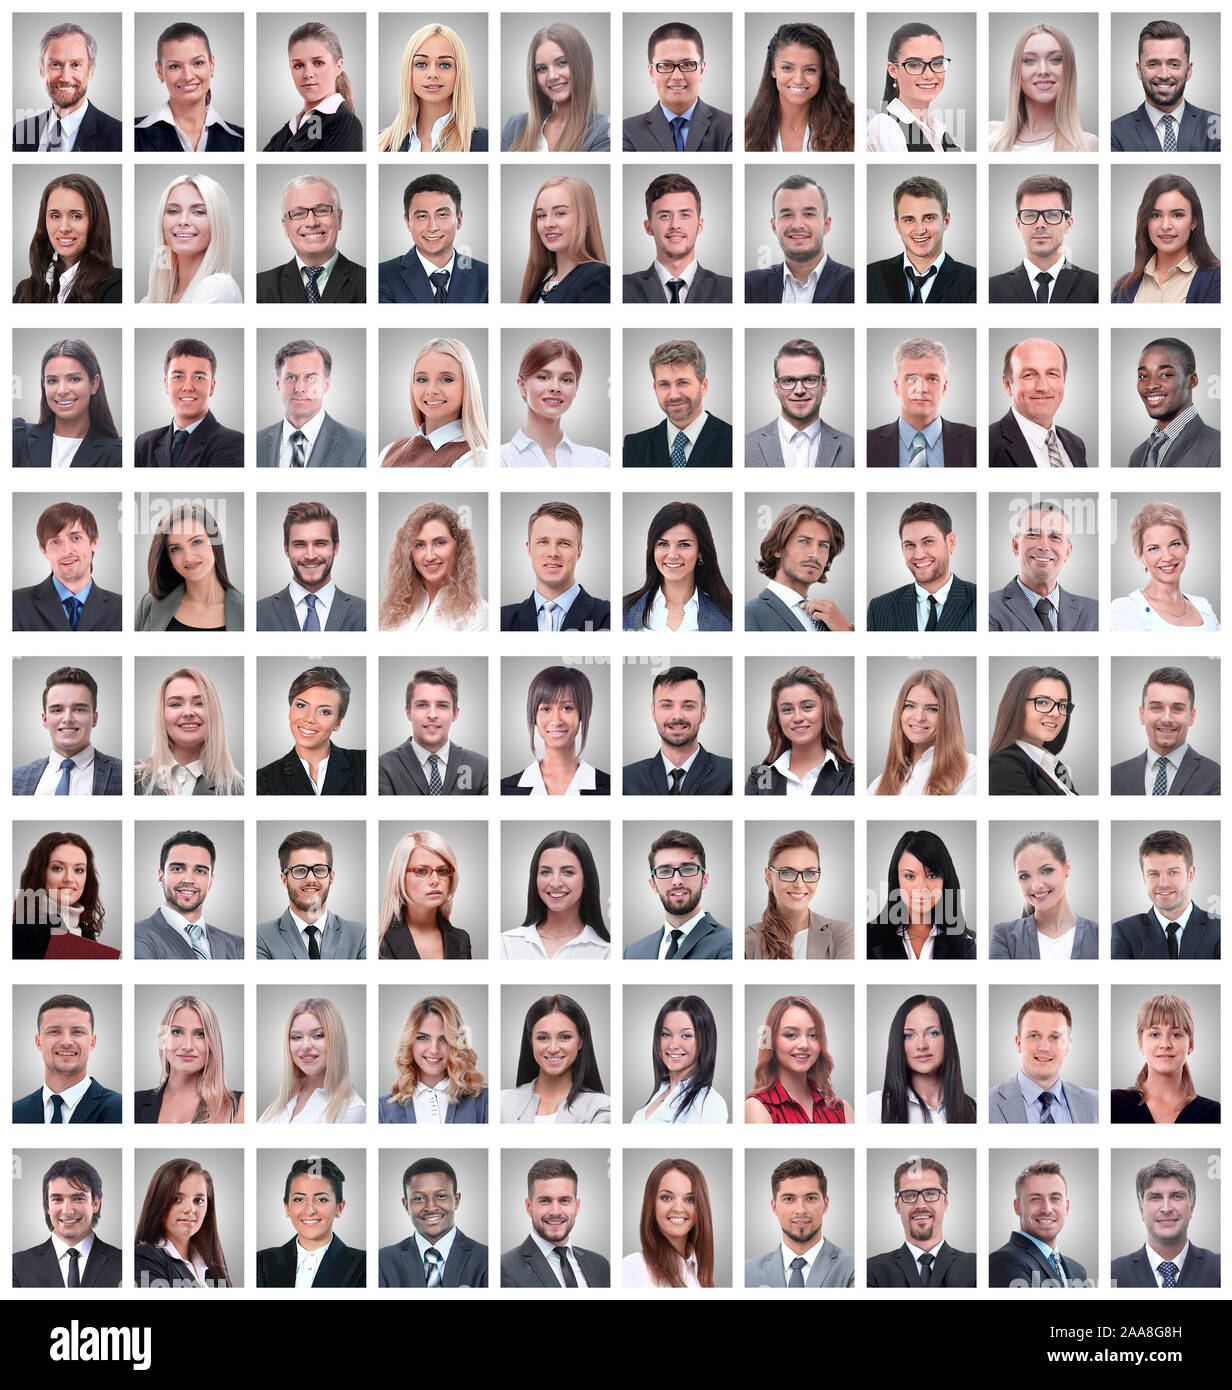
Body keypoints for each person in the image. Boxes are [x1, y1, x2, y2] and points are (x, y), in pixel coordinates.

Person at [622, 500, 733, 632]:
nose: (672, 555)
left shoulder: (729, 616)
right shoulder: (622, 611)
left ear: (700, 551)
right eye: (663, 544)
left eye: (684, 544)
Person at [256, 829, 366, 960]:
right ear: (284, 879)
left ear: (331, 877)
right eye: (300, 870)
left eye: (319, 869)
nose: (310, 880)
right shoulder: (260, 937)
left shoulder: (360, 935)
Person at [867, 500, 977, 632]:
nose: (918, 555)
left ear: (951, 542)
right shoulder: (879, 608)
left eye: (928, 541)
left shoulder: (982, 601)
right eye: (909, 545)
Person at [1111, 21, 1221, 153]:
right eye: (1153, 64)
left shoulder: (1218, 126)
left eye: (1174, 64)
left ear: (1189, 70)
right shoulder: (1113, 133)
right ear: (1139, 70)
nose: (1164, 75)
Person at [1110, 665, 1221, 796]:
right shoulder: (1113, 777)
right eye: (1156, 707)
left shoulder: (1217, 777)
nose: (1166, 719)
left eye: (1178, 709)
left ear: (1192, 716)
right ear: (1142, 715)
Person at [500, 830, 610, 961]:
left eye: (568, 872)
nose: (555, 883)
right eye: (545, 872)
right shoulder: (505, 945)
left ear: (586, 880)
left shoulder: (607, 952)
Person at [12, 665, 122, 796]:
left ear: (94, 719)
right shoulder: (14, 779)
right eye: (57, 710)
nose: (68, 718)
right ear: (45, 720)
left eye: (79, 709)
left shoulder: (125, 774)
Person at [378, 175, 489, 304]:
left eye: (442, 215)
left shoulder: (487, 276)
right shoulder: (380, 276)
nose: (432, 227)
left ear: (459, 219)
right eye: (422, 216)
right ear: (408, 222)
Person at [867, 336, 976, 468]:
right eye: (911, 378)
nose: (921, 389)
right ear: (896, 387)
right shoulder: (865, 443)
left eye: (931, 379)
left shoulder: (976, 441)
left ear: (944, 387)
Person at [133, 338, 244, 468]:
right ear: (166, 385)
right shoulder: (145, 443)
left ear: (212, 387)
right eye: (178, 377)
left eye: (199, 378)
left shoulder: (234, 442)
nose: (188, 387)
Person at [500, 338, 610, 467]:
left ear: (576, 388)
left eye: (566, 380)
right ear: (522, 386)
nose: (555, 387)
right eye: (543, 377)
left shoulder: (599, 462)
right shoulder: (497, 460)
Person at [377, 23, 488, 152]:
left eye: (445, 65)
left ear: (459, 72)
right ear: (408, 71)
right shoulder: (380, 143)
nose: (432, 74)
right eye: (421, 64)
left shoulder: (486, 143)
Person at [623, 665, 732, 795]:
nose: (677, 716)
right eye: (667, 705)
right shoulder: (625, 779)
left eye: (688, 706)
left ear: (703, 713)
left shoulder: (731, 774)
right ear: (653, 712)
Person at [746, 665, 856, 796]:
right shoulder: (762, 776)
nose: (797, 718)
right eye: (787, 709)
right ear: (778, 718)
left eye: (807, 707)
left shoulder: (851, 777)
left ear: (825, 711)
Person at [623, 21, 733, 152]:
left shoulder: (730, 126)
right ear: (651, 72)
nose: (677, 76)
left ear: (701, 70)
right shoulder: (627, 131)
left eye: (687, 64)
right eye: (665, 65)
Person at [13, 1157, 122, 1287]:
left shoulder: (126, 1263)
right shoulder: (16, 1265)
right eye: (57, 1199)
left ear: (95, 1203)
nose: (67, 1210)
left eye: (78, 1198)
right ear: (47, 1205)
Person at [501, 1157, 611, 1287]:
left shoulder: (600, 1265)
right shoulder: (504, 1268)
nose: (555, 1211)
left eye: (564, 1200)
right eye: (545, 1201)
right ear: (529, 1206)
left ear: (577, 1206)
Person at [378, 338, 488, 468]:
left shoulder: (476, 460)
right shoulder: (389, 451)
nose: (431, 391)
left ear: (467, 385)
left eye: (446, 379)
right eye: (422, 379)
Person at [1112, 829, 1221, 959]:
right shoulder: (1124, 932)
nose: (1163, 883)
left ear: (1190, 874)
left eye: (1173, 872)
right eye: (1153, 874)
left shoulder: (1220, 929)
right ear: (1144, 877)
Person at [256, 339, 366, 468]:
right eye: (291, 377)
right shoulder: (254, 443)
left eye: (311, 378)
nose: (300, 388)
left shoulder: (360, 446)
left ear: (326, 385)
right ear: (278, 385)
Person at [989, 994, 1099, 1123]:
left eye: (1055, 1037)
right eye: (1034, 1035)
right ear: (1019, 1043)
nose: (1044, 1047)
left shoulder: (1097, 1104)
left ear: (1068, 1045)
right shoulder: (984, 1106)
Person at [624, 829, 733, 960]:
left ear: (705, 880)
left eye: (687, 869)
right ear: (653, 884)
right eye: (665, 871)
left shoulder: (731, 944)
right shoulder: (632, 953)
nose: (677, 881)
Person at [867, 829, 975, 960]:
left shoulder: (967, 945)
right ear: (897, 879)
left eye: (932, 875)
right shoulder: (868, 939)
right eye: (910, 876)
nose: (922, 887)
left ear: (945, 880)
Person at [134, 830, 243, 961]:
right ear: (161, 877)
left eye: (200, 871)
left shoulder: (237, 945)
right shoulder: (136, 936)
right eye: (178, 869)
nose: (188, 879)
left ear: (210, 881)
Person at [744, 175, 854, 304]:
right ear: (774, 226)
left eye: (809, 214)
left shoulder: (855, 283)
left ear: (827, 225)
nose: (797, 225)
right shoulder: (748, 285)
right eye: (787, 215)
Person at [1111, 1159, 1221, 1288]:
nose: (1166, 1208)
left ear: (1192, 1207)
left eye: (1177, 1196)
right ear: (1141, 1210)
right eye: (1155, 1197)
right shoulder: (1113, 1273)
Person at [378, 667, 488, 796]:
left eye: (442, 705)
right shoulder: (381, 767)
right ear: (408, 712)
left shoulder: (482, 767)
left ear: (455, 714)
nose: (432, 715)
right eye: (422, 705)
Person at [501, 665, 610, 796]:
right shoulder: (503, 790)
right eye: (546, 709)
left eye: (567, 708)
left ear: (582, 714)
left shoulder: (613, 789)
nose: (557, 721)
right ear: (534, 716)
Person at [745, 1158, 854, 1288]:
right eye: (789, 1199)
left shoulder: (853, 1269)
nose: (801, 1210)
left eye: (810, 1198)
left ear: (825, 1204)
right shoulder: (746, 1272)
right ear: (774, 1207)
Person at [13, 993, 122, 1123]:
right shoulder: (13, 1113)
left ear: (92, 1042)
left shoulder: (121, 1110)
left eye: (77, 1032)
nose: (66, 1041)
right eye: (54, 1031)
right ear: (38, 1042)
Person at [258, 501, 365, 633]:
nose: (310, 555)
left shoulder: (365, 614)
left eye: (320, 543)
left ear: (335, 547)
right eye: (300, 544)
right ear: (286, 549)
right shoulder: (257, 614)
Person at [256, 1156, 365, 1287]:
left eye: (322, 1199)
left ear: (339, 1207)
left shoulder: (365, 1266)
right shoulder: (261, 1262)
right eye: (299, 1199)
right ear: (286, 1207)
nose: (309, 1211)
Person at [867, 1157, 976, 1288]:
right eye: (910, 1195)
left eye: (930, 1194)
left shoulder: (975, 1267)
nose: (920, 1205)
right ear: (897, 1204)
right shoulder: (872, 1271)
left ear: (945, 1201)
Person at [501, 994, 610, 1123]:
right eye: (542, 1038)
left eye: (565, 1037)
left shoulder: (602, 1107)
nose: (553, 1048)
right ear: (530, 1041)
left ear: (580, 1040)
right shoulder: (500, 1103)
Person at [257, 666, 366, 796]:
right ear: (290, 711)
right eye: (301, 705)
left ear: (337, 722)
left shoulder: (366, 764)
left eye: (324, 711)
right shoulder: (264, 779)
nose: (309, 719)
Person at [989, 174, 1099, 303]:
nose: (1040, 225)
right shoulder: (990, 290)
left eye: (1052, 214)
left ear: (1068, 224)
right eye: (1030, 215)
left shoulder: (1096, 287)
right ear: (1019, 224)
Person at [745, 22, 853, 152]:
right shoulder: (745, 133)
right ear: (773, 70)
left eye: (810, 70)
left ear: (823, 73)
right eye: (787, 68)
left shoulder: (854, 128)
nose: (798, 80)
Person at [745, 339, 854, 469]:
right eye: (789, 380)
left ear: (824, 386)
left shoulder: (853, 449)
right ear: (776, 387)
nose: (799, 391)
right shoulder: (743, 447)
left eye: (810, 379)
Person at [135, 667, 243, 797]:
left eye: (199, 703)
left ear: (214, 713)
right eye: (175, 704)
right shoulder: (131, 779)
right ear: (162, 714)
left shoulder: (239, 790)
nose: (188, 713)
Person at [1112, 174, 1220, 304]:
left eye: (1177, 215)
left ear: (1194, 221)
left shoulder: (1218, 280)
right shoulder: (1123, 287)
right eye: (1156, 215)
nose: (1165, 226)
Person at [13, 173, 121, 304]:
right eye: (55, 216)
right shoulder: (25, 290)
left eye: (76, 216)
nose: (64, 228)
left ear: (96, 222)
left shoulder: (118, 287)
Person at [136, 502, 243, 633]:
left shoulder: (249, 611)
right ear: (168, 557)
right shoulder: (150, 604)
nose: (188, 557)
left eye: (197, 541)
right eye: (175, 549)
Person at [257, 174, 366, 303]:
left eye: (322, 211)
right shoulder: (260, 287)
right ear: (285, 226)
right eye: (298, 213)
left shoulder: (368, 282)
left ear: (339, 218)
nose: (311, 222)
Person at [502, 502, 610, 632]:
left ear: (579, 552)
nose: (553, 553)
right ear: (529, 548)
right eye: (543, 542)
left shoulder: (611, 616)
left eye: (564, 543)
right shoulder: (501, 620)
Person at [379, 502, 486, 633]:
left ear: (459, 547)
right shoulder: (391, 609)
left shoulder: (478, 614)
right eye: (419, 545)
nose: (429, 556)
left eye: (440, 543)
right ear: (409, 552)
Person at [13, 501, 120, 632]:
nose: (66, 551)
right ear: (43, 550)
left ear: (94, 542)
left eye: (75, 538)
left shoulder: (122, 608)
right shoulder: (14, 605)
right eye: (55, 541)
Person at [991, 830, 1098, 961]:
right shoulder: (1004, 936)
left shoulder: (1099, 936)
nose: (1036, 886)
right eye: (1024, 876)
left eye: (1046, 871)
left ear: (1067, 868)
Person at [13, 23, 122, 152]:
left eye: (75, 65)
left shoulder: (119, 135)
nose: (65, 77)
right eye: (55, 64)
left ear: (91, 71)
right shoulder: (21, 131)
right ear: (41, 69)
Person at [379, 1159, 488, 1287]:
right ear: (406, 1205)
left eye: (441, 1196)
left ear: (456, 1200)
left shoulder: (487, 1259)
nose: (430, 1207)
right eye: (418, 1198)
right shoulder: (382, 1261)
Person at [989, 502, 1098, 631]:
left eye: (1055, 537)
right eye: (1033, 535)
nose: (1044, 546)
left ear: (1067, 552)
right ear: (1016, 546)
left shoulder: (1095, 613)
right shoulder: (987, 609)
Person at [135, 22, 244, 151]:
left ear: (211, 65)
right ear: (160, 72)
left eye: (198, 63)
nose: (187, 76)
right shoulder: (130, 135)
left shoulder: (242, 140)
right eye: (174, 66)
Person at [624, 173, 731, 303]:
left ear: (700, 225)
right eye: (665, 216)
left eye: (685, 215)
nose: (675, 225)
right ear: (648, 227)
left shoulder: (731, 290)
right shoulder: (621, 290)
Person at [13, 337, 120, 468]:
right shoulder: (17, 436)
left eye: (74, 379)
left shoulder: (118, 453)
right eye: (52, 381)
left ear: (94, 384)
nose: (62, 390)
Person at [502, 22, 610, 151]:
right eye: (542, 69)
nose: (552, 76)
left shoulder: (606, 131)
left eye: (562, 63)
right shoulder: (515, 125)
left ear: (582, 64)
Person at [746, 830, 852, 961]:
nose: (799, 884)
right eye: (787, 873)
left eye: (810, 873)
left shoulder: (842, 934)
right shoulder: (747, 939)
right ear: (769, 876)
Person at [134, 995, 243, 1124]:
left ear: (213, 1043)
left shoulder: (240, 1106)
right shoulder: (132, 1103)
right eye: (177, 1032)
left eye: (200, 1034)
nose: (188, 1046)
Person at [868, 995, 976, 1123]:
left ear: (947, 1038)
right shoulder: (874, 1107)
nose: (921, 1045)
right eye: (909, 1035)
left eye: (932, 1033)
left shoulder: (975, 1108)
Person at [378, 997, 487, 1124]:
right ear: (409, 1042)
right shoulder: (382, 1110)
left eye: (444, 1039)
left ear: (457, 1043)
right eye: (423, 1037)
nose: (434, 1050)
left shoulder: (485, 1102)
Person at [989, 24, 1098, 151]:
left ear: (1069, 70)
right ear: (1017, 71)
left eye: (1055, 59)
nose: (1043, 70)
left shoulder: (1087, 145)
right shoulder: (989, 136)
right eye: (1030, 60)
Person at [1113, 994, 1219, 1124]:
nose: (1165, 1044)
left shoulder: (1214, 1113)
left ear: (1191, 1045)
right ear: (1140, 1044)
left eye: (1176, 1035)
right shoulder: (1112, 1104)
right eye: (1155, 1034)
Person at [867, 176, 976, 303]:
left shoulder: (975, 281)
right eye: (909, 220)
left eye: (929, 218)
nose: (920, 230)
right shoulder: (869, 277)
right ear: (897, 225)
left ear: (946, 221)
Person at [746, 503, 852, 633]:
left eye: (823, 545)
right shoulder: (748, 614)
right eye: (804, 541)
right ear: (777, 549)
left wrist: (847, 631)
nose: (815, 554)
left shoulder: (830, 618)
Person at [624, 340, 732, 468]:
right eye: (664, 384)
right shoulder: (635, 446)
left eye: (683, 382)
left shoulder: (733, 441)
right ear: (655, 389)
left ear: (703, 386)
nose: (674, 395)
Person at [746, 995, 852, 1124]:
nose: (804, 1045)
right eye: (791, 1035)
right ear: (771, 1041)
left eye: (812, 1035)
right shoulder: (758, 1107)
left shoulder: (842, 1110)